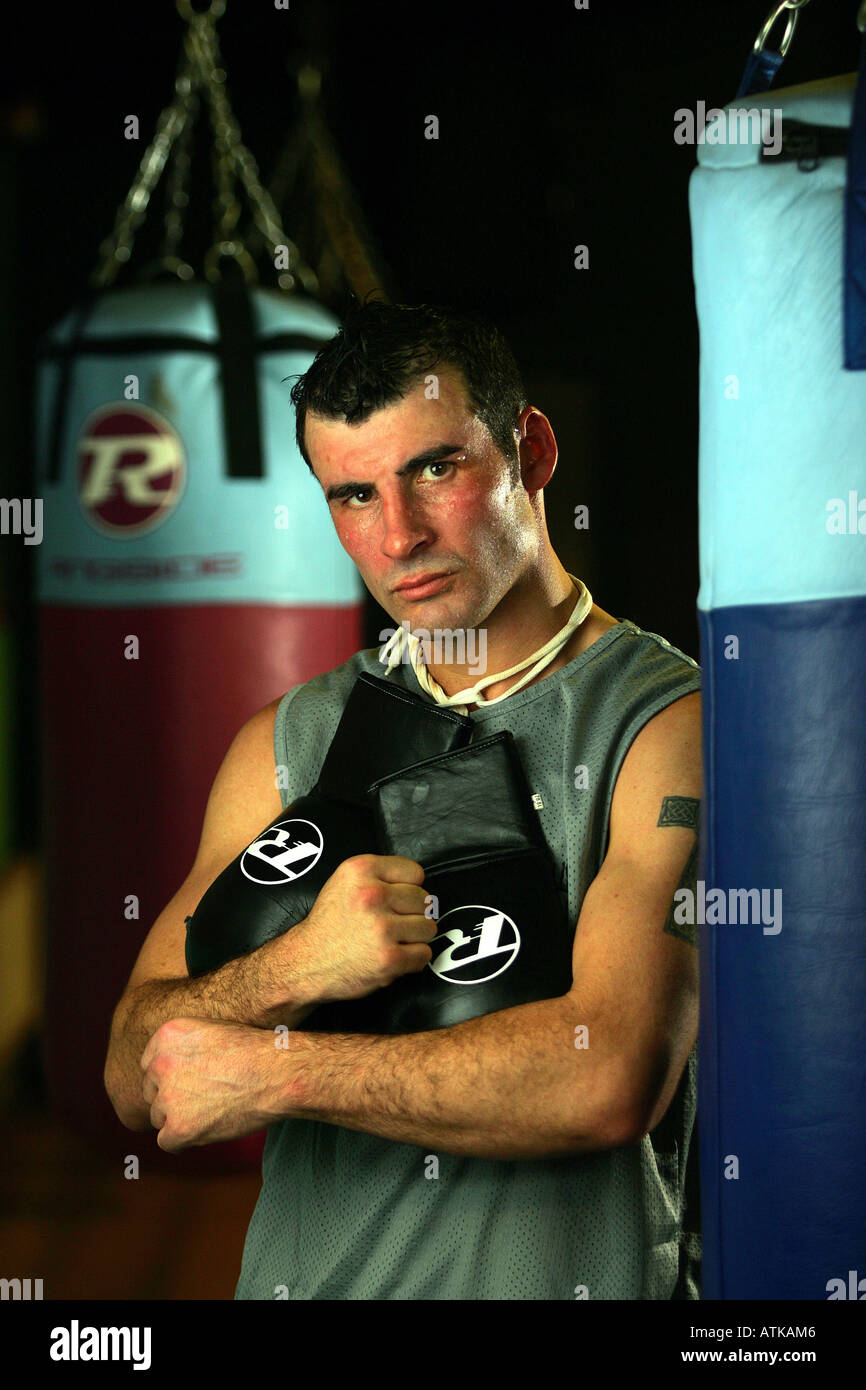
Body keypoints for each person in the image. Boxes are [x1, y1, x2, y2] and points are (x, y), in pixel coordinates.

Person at [104, 300, 702, 1300]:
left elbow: (608, 1076)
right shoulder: (285, 744)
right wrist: (300, 964)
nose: (397, 536)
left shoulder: (666, 724)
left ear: (532, 449)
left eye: (435, 469)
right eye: (351, 494)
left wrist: (275, 1070)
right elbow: (135, 1068)